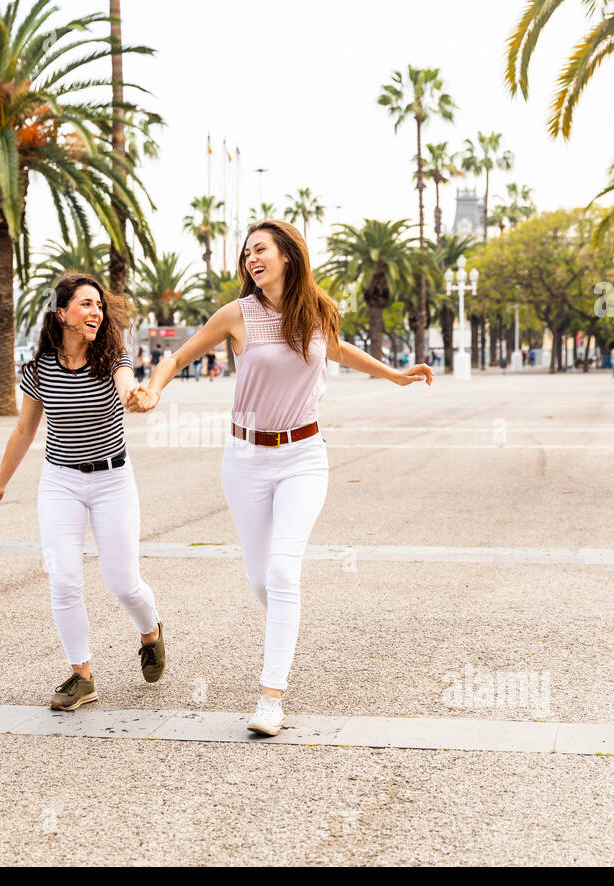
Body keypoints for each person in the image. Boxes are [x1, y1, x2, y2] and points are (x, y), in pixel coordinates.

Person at [129, 220, 434, 736]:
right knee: (261, 579)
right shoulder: (236, 315)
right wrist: (155, 390)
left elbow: (339, 351)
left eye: (262, 249)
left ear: (288, 255)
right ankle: (285, 626)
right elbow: (178, 356)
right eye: (248, 252)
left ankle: (270, 697)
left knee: (283, 573)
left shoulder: (318, 311)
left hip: (303, 457)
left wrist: (394, 374)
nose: (252, 258)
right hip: (245, 459)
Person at [0, 272, 162, 712]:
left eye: (98, 305)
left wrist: (137, 395)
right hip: (60, 480)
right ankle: (82, 676)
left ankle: (150, 632)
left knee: (123, 583)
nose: (95, 311)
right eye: (85, 304)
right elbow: (25, 429)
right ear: (61, 314)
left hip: (113, 479)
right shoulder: (39, 369)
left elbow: (124, 384)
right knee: (63, 578)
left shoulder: (112, 357)